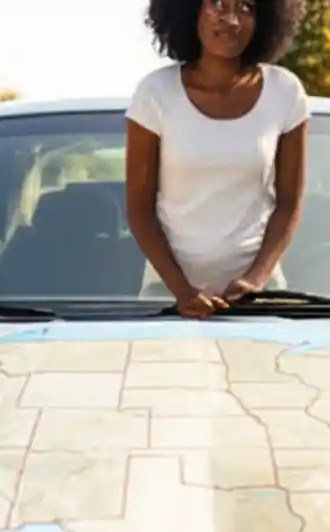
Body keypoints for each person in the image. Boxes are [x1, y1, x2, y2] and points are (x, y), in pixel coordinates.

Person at [125, 0, 309, 319]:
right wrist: (183, 291)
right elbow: (140, 211)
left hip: (258, 298)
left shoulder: (285, 92)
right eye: (218, 5)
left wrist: (254, 281)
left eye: (246, 8)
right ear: (191, 10)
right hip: (167, 297)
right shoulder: (155, 93)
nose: (232, 20)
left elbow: (289, 203)